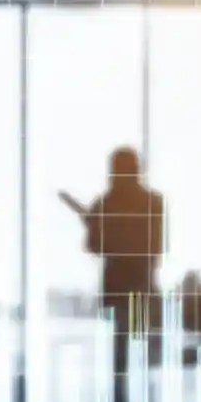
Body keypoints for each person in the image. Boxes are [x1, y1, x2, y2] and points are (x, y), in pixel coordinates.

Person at [64, 147, 166, 376]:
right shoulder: (153, 202)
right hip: (141, 282)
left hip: (118, 284)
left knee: (122, 356)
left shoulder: (104, 204)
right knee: (142, 356)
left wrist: (99, 228)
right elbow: (156, 246)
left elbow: (93, 246)